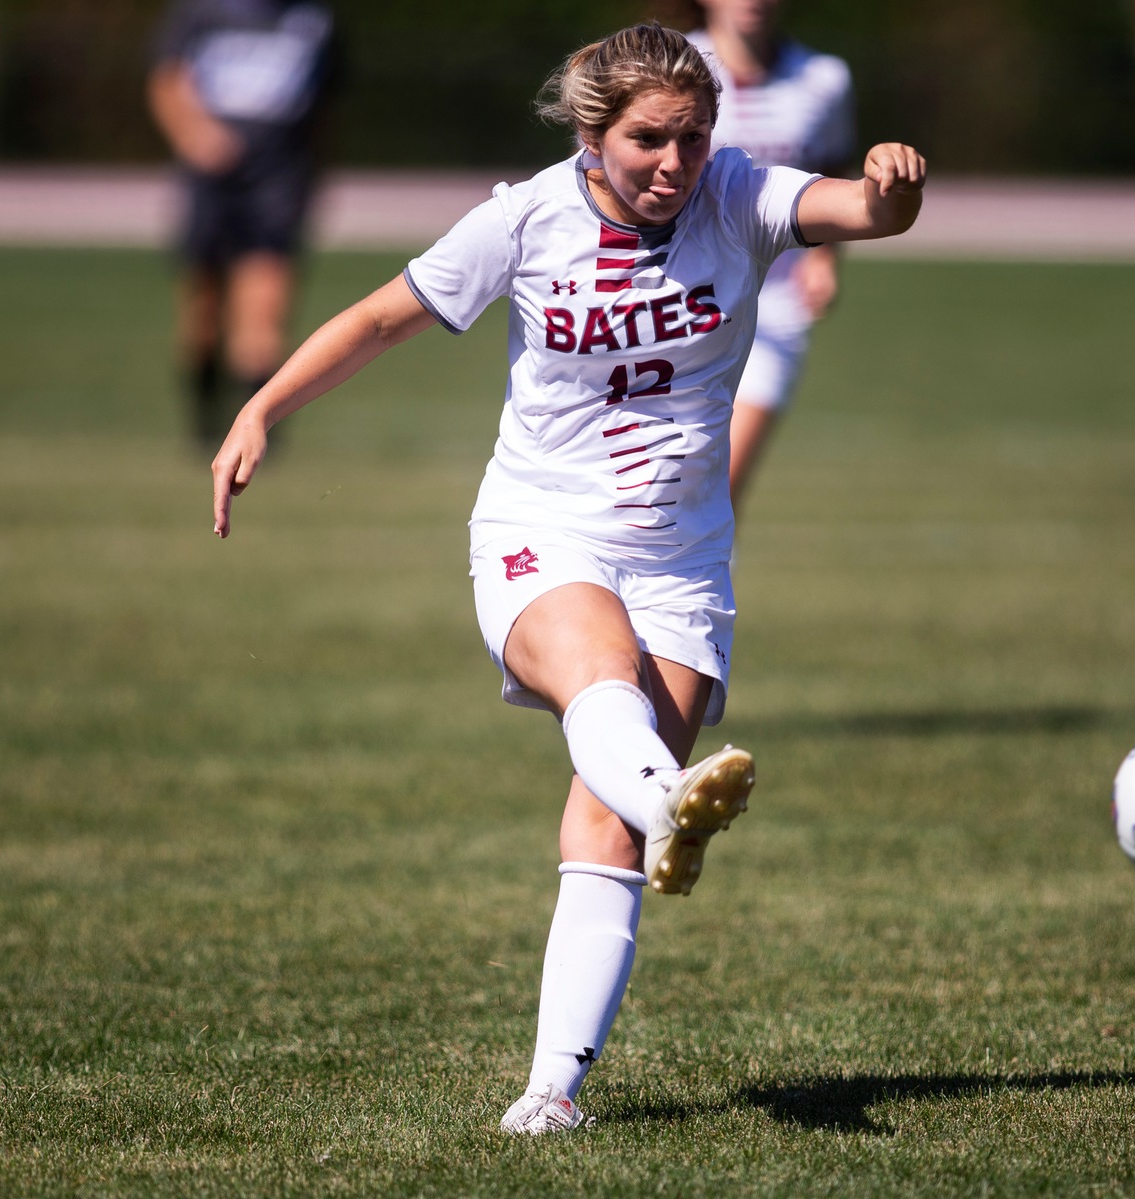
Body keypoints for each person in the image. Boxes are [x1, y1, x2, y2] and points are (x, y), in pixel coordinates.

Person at [208, 22, 924, 1134]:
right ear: (594, 135)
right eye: (650, 140)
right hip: (543, 528)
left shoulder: (738, 194)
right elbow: (383, 317)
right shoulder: (526, 218)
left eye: (693, 138)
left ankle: (552, 1094)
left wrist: (891, 187)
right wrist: (261, 406)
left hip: (682, 560)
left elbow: (865, 213)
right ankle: (669, 797)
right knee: (603, 682)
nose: (675, 164)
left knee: (605, 829)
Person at [684, 0, 855, 509]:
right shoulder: (671, 64)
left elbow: (832, 168)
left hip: (773, 305)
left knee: (718, 486)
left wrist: (825, 256)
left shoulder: (823, 79)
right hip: (681, 295)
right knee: (671, 485)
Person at [148, 0, 338, 449]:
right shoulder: (202, 11)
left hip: (278, 180)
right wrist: (194, 135)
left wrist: (316, 177)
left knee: (264, 311)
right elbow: (166, 80)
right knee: (203, 313)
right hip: (211, 182)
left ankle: (260, 425)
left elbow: (326, 106)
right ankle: (205, 422)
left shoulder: (316, 19)